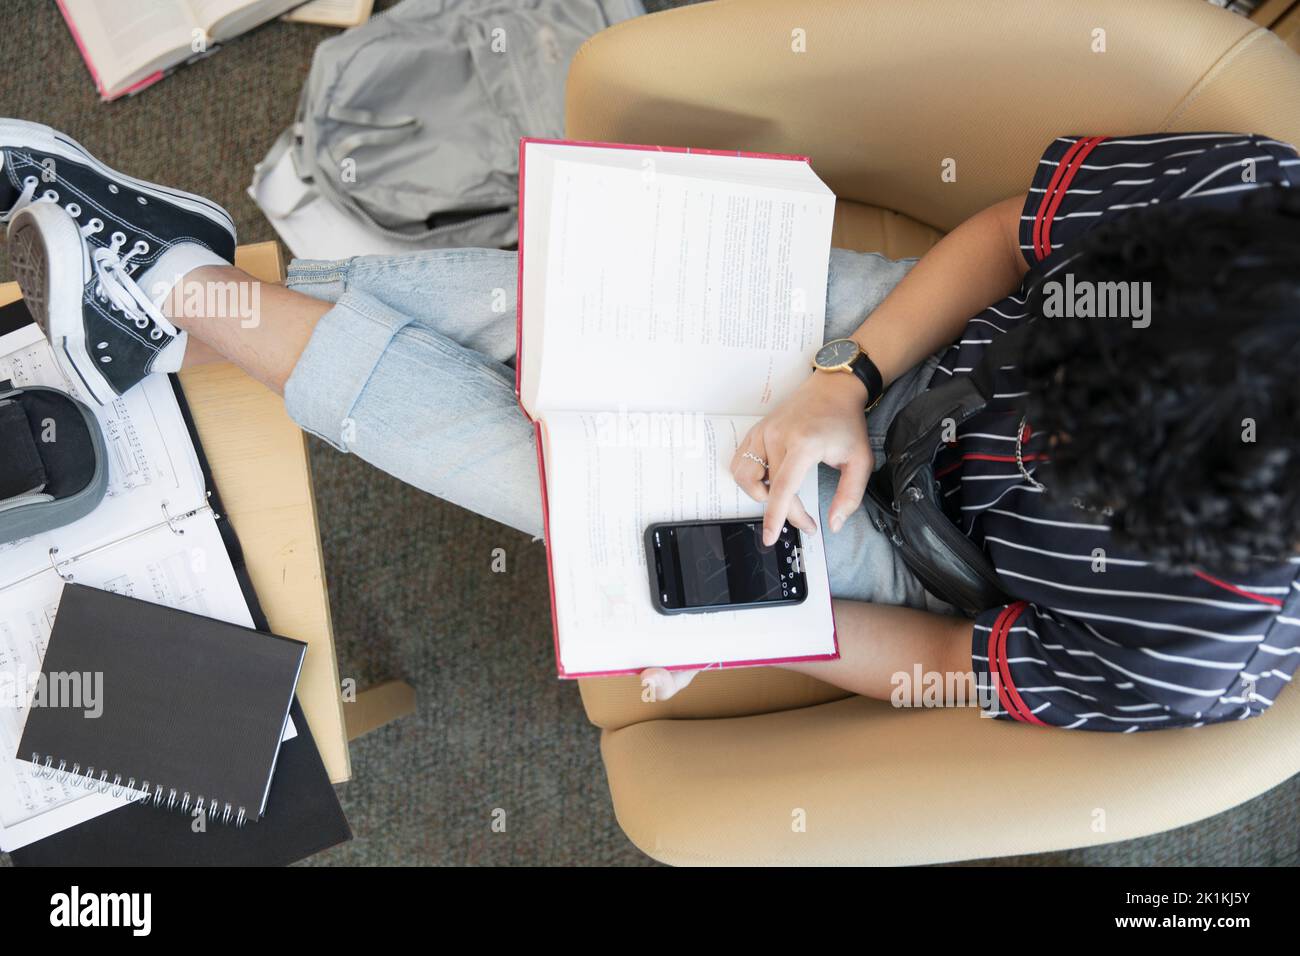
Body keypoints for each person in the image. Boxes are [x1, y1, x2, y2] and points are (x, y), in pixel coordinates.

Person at [4, 119, 1298, 730]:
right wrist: (845, 374)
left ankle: (176, 285)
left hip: (911, 552)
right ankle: (175, 291)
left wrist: (762, 626)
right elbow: (1010, 235)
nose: (1045, 441)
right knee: (560, 315)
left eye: (1080, 469)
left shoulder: (1211, 656)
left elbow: (952, 666)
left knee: (555, 473)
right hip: (918, 342)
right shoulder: (1253, 201)